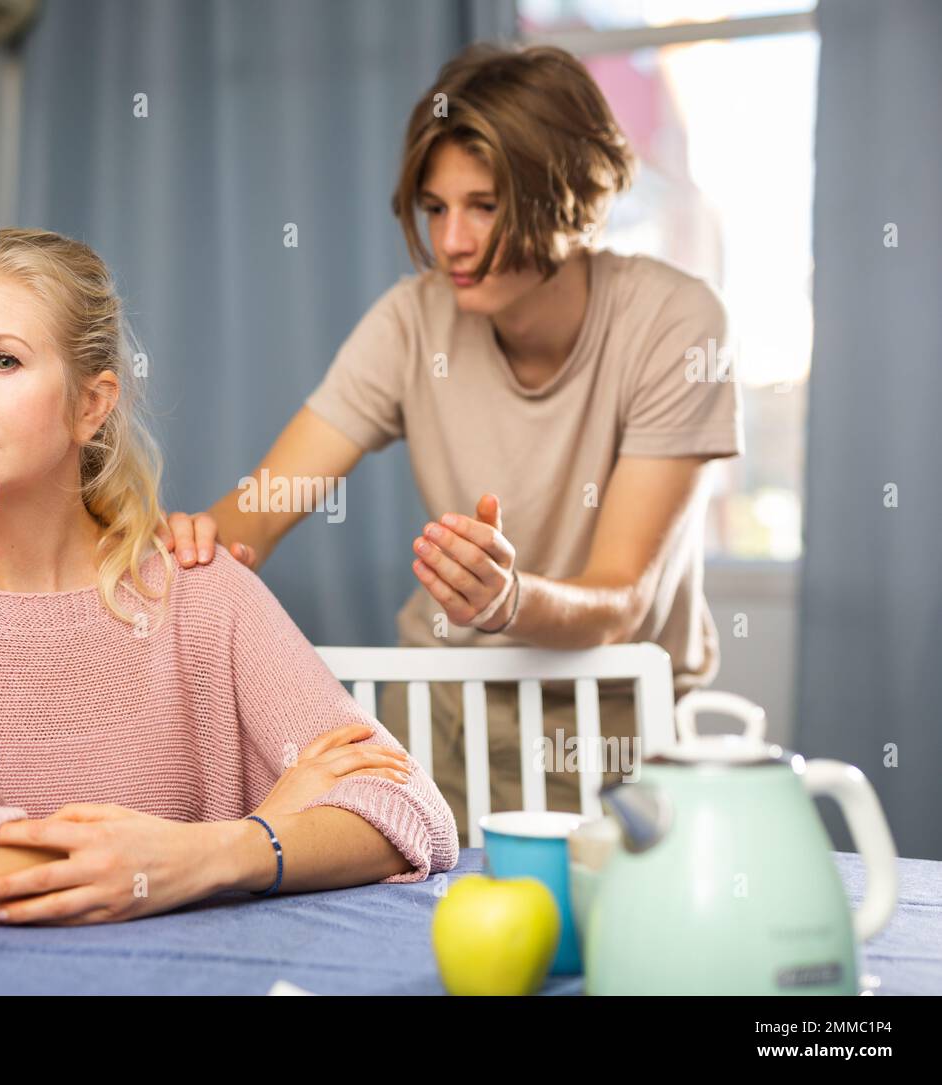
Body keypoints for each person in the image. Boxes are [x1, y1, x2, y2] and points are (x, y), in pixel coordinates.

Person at [0, 228, 457, 996]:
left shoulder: (196, 585)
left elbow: (406, 807)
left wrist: (216, 853)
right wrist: (244, 838)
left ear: (91, 404)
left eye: (1, 360)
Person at [163, 42, 744, 844]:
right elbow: (257, 515)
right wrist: (185, 544)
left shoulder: (677, 322)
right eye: (435, 208)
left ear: (569, 197)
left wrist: (507, 599)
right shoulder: (411, 322)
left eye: (486, 205)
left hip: (619, 738)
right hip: (439, 733)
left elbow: (620, 601)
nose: (452, 243)